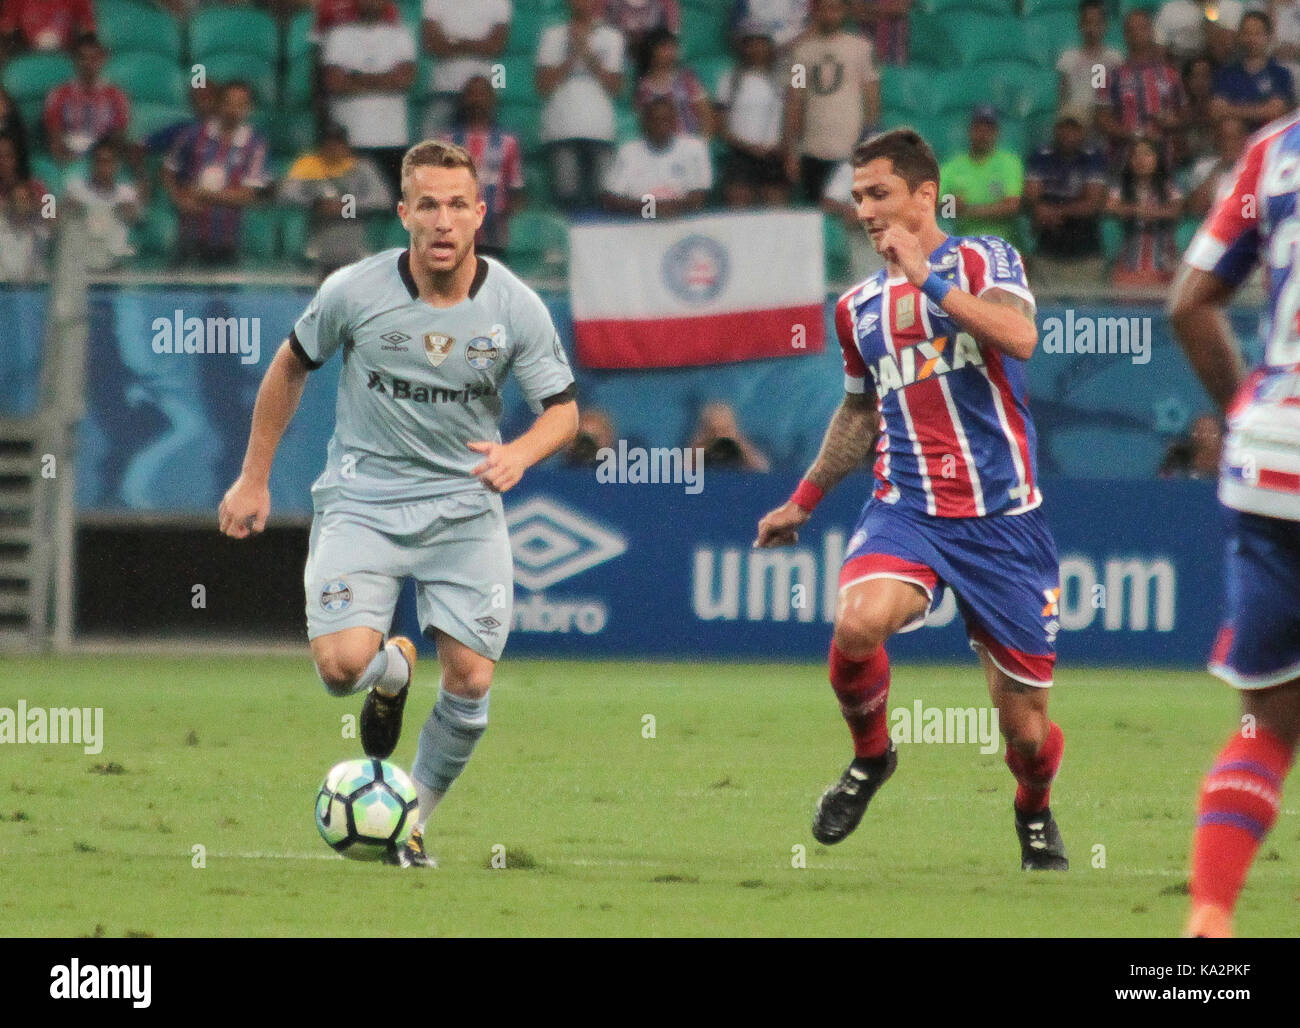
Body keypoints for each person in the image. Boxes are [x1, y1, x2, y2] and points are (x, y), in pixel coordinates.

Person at [217, 140, 579, 870]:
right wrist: (253, 478)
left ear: (480, 214)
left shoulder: (514, 306)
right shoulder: (354, 290)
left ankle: (409, 817)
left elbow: (564, 412)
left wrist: (520, 453)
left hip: (464, 506)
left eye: (457, 206)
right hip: (364, 501)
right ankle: (391, 669)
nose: (443, 221)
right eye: (428, 205)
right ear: (405, 212)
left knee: (473, 681)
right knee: (339, 671)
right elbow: (290, 366)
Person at [754, 128, 1067, 871]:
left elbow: (1018, 337)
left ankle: (1033, 810)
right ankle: (872, 758)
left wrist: (927, 279)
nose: (865, 210)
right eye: (858, 196)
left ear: (926, 195)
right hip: (909, 510)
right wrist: (805, 498)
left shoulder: (985, 259)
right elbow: (860, 412)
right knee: (858, 623)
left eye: (880, 193)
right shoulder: (857, 306)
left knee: (1025, 735)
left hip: (1004, 523)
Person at [1168, 106, 1300, 938]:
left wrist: (1245, 412)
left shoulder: (1272, 151)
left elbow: (1188, 303)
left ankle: (1210, 921)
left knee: (1265, 723)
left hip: (1274, 455)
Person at [161, 80, 271, 267]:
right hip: (190, 235)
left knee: (223, 295)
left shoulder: (255, 145)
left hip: (229, 240)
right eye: (228, 102)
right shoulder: (193, 135)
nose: (233, 110)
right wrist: (179, 199)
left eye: (240, 104)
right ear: (218, 104)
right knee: (179, 292)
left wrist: (205, 194)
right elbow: (168, 170)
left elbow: (249, 195)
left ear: (249, 108)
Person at [783, 0, 879, 203]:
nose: (829, 14)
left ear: (845, 12)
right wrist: (791, 148)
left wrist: (870, 136)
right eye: (824, 8)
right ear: (816, 12)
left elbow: (871, 95)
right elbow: (795, 99)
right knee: (817, 212)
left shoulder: (860, 48)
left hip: (850, 146)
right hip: (813, 147)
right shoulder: (801, 53)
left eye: (835, 8)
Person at [535, 0, 625, 212]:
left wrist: (588, 53)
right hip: (562, 130)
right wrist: (572, 54)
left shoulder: (612, 38)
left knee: (604, 200)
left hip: (600, 130)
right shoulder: (552, 36)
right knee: (567, 201)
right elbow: (543, 86)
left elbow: (615, 87)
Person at [320, 0, 417, 196]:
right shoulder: (339, 35)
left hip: (391, 137)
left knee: (391, 206)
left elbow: (403, 81)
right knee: (350, 205)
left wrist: (355, 76)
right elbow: (335, 83)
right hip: (349, 139)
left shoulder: (400, 35)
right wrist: (384, 78)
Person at [279, 121, 393, 276]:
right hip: (317, 236)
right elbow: (286, 194)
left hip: (354, 238)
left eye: (338, 143)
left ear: (346, 145)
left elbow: (382, 199)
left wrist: (346, 206)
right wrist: (316, 203)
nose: (333, 148)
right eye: (329, 143)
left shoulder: (362, 167)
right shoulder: (307, 166)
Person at [440, 75, 524, 260]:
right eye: (472, 94)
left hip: (493, 231)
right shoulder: (447, 142)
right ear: (463, 100)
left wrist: (506, 220)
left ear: (492, 99)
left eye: (482, 94)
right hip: (456, 230)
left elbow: (516, 188)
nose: (477, 99)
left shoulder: (508, 142)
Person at [1024, 112, 1108, 285]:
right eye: (1064, 127)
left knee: (1089, 312)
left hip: (1085, 255)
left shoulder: (1094, 157)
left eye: (1074, 128)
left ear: (1083, 131)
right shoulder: (1041, 155)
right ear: (1056, 129)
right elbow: (1031, 196)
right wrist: (1039, 208)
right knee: (1042, 311)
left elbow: (1092, 203)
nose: (1068, 133)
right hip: (1047, 253)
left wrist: (1053, 211)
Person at [1098, 10, 1186, 169]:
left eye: (1142, 28)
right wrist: (1132, 134)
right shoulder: (1110, 75)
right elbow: (1102, 119)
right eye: (1131, 29)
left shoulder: (1171, 73)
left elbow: (1184, 113)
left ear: (1151, 31)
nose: (1137, 33)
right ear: (1125, 35)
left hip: (1164, 158)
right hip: (1124, 160)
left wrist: (1173, 122)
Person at [601, 95, 711, 216]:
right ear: (645, 123)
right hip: (637, 224)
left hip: (682, 224)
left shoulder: (694, 148)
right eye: (655, 120)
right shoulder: (628, 152)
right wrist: (651, 209)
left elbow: (698, 199)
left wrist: (664, 209)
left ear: (674, 122)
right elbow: (611, 199)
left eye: (666, 120)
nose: (661, 126)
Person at [716, 24, 787, 207]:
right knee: (738, 207)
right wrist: (748, 148)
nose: (756, 49)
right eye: (751, 44)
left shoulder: (785, 76)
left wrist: (787, 148)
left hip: (774, 154)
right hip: (740, 154)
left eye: (761, 43)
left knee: (776, 210)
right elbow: (721, 126)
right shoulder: (729, 78)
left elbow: (795, 108)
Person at [420, 0, 511, 137]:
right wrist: (477, 44)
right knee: (431, 151)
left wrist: (455, 42)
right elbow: (433, 44)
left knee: (484, 154)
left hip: (484, 93)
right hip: (445, 89)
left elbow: (495, 46)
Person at [939, 105, 1025, 249]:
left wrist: (965, 210)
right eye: (978, 128)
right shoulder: (952, 167)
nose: (983, 134)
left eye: (988, 129)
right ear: (970, 131)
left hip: (1001, 248)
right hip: (964, 246)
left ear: (996, 133)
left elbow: (1011, 206)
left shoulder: (1009, 163)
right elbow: (932, 206)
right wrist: (951, 206)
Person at [1106, 136, 1183, 288]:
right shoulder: (1121, 186)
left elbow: (1176, 210)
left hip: (1164, 265)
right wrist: (1140, 210)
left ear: (1157, 159)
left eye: (1147, 154)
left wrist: (1142, 212)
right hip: (1129, 263)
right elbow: (1110, 206)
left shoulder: (1169, 186)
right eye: (1135, 155)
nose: (1140, 160)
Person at [43, 34, 128, 166]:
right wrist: (70, 163)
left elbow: (118, 138)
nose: (88, 64)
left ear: (102, 59)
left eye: (94, 58)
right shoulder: (59, 95)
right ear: (75, 60)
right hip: (69, 159)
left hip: (101, 161)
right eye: (83, 58)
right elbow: (55, 140)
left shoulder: (116, 96)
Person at [61, 137, 141, 271]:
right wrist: (67, 208)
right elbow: (50, 213)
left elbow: (139, 221)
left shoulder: (127, 194)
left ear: (116, 165)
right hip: (82, 262)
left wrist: (131, 212)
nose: (103, 167)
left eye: (107, 162)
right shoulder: (75, 190)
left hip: (116, 264)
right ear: (91, 164)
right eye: (98, 161)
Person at [1210, 10, 1296, 133]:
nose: (1252, 39)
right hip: (1237, 139)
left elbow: (1275, 111)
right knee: (1230, 126)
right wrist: (1261, 110)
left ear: (1269, 36)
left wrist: (1232, 109)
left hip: (1268, 139)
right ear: (1239, 36)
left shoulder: (1280, 74)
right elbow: (1217, 111)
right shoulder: (1226, 73)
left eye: (1257, 34)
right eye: (1247, 33)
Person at [1056, 0, 1123, 133]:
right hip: (1075, 123)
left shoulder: (1115, 59)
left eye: (1097, 23)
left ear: (1105, 25)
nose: (1092, 28)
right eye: (1088, 22)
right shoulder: (1068, 58)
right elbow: (1062, 97)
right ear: (1080, 25)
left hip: (1105, 123)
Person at [633, 26, 713, 138]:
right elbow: (644, 123)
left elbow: (706, 115)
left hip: (689, 144)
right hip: (660, 149)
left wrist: (703, 144)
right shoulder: (643, 88)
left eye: (672, 47)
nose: (670, 51)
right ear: (652, 51)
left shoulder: (687, 79)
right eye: (664, 47)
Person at [1157, 412, 1223, 479]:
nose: (1204, 436)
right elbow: (1162, 483)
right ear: (1192, 434)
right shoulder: (1177, 456)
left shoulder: (1229, 459)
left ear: (1221, 436)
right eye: (1199, 431)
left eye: (1211, 432)